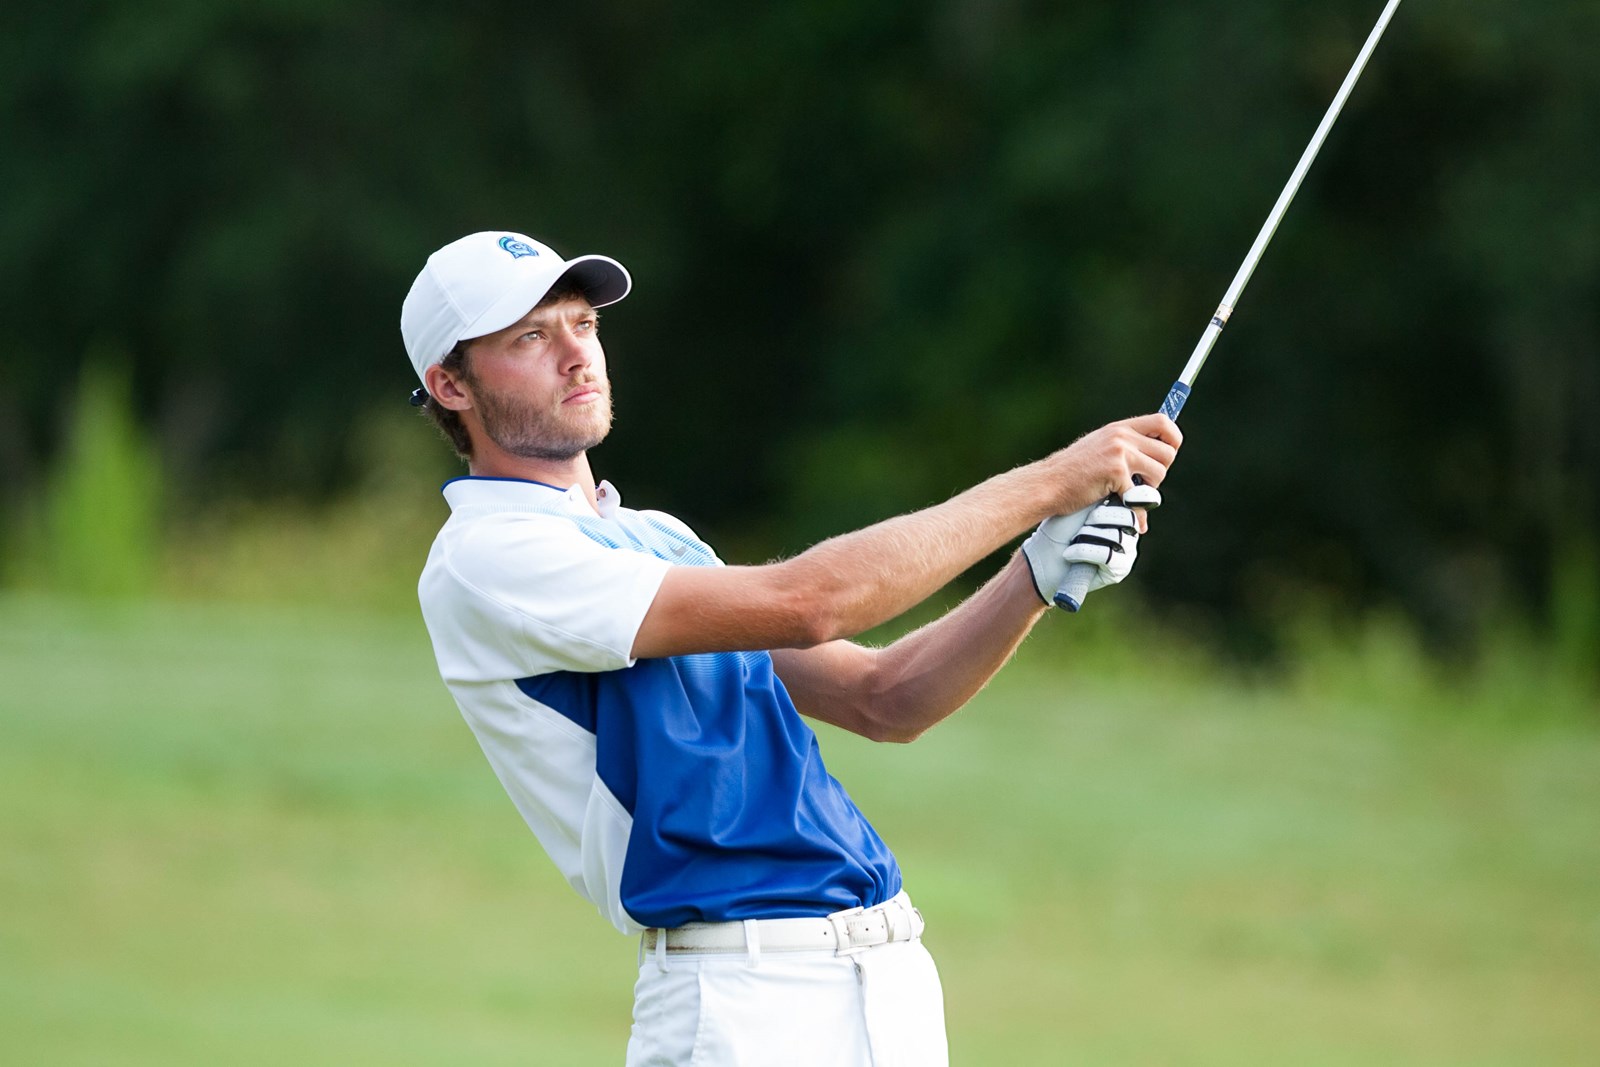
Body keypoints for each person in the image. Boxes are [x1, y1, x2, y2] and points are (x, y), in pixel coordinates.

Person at [400, 230, 1181, 1066]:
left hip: (885, 980)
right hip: (742, 1001)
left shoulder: (652, 536)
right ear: (450, 384)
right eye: (530, 336)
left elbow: (884, 696)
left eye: (583, 324)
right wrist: (1048, 482)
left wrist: (1035, 570)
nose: (576, 355)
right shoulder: (488, 556)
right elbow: (813, 602)